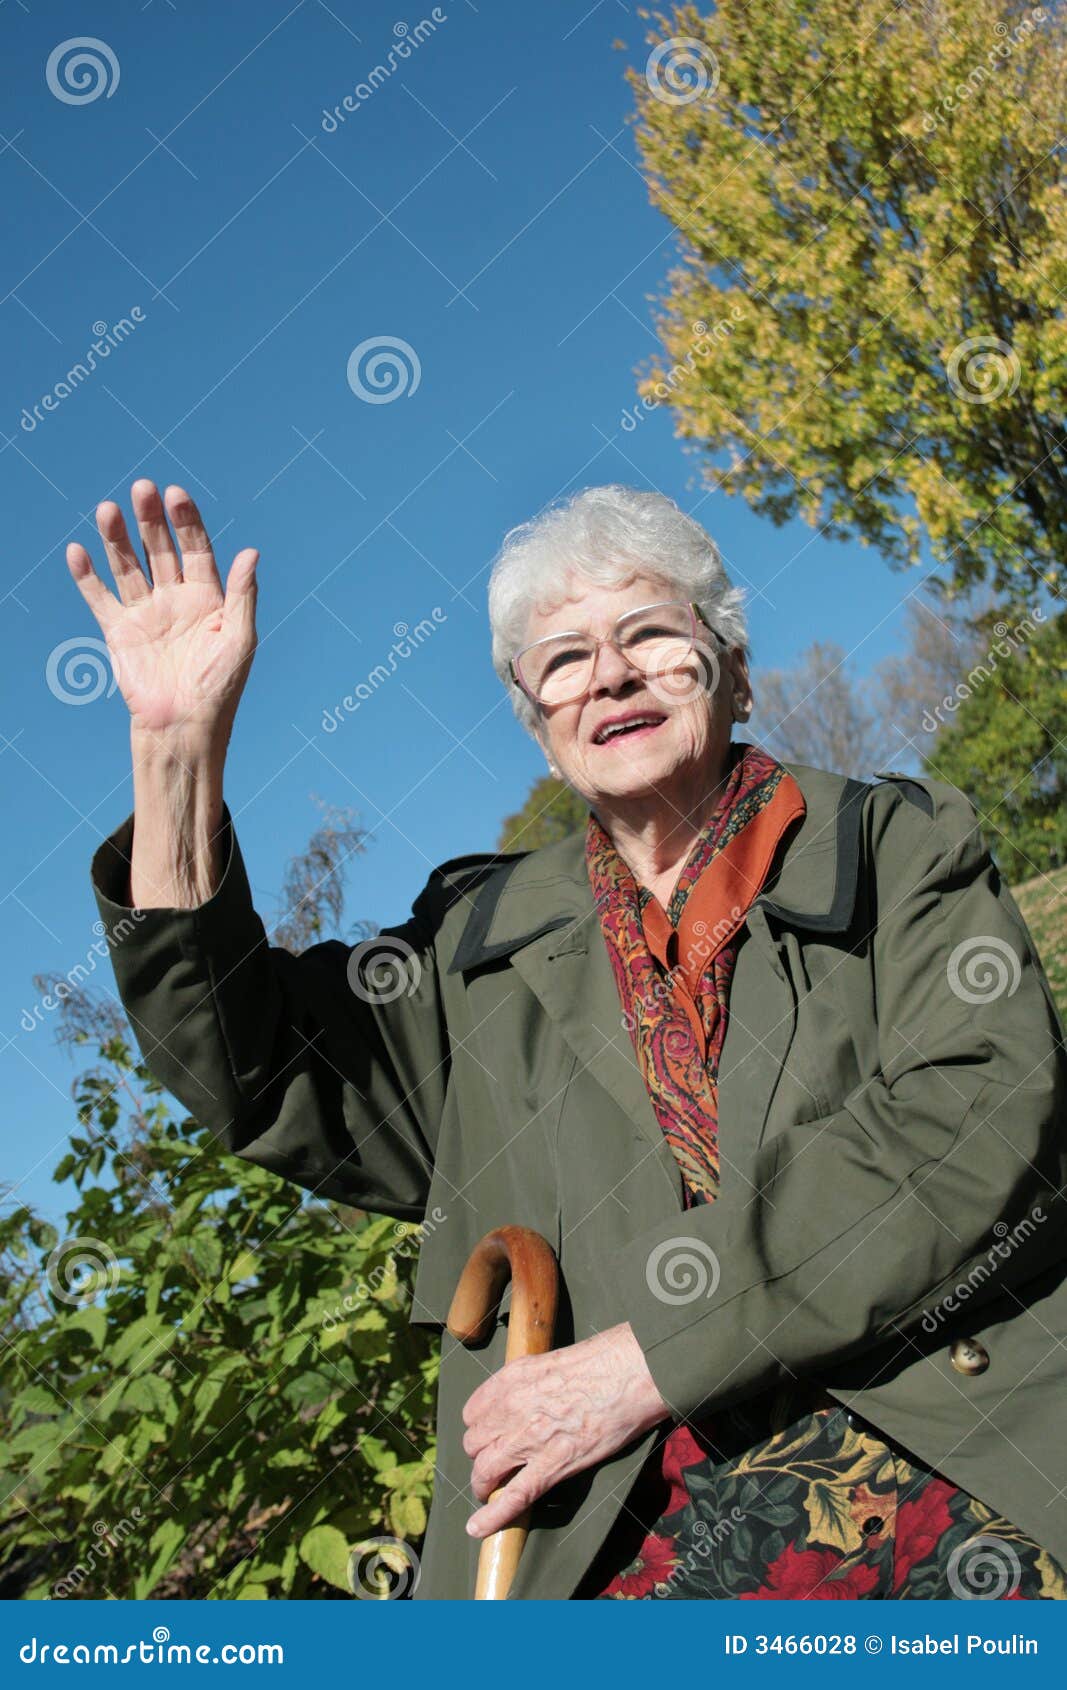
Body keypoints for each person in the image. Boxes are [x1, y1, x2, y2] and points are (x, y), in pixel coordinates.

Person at [72, 479, 1067, 1601]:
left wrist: (653, 1353)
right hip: (595, 1542)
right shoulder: (470, 953)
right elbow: (248, 1069)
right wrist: (174, 752)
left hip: (937, 1475)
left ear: (734, 673)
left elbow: (976, 1113)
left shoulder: (895, 849)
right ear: (540, 729)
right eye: (561, 659)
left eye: (650, 633)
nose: (607, 673)